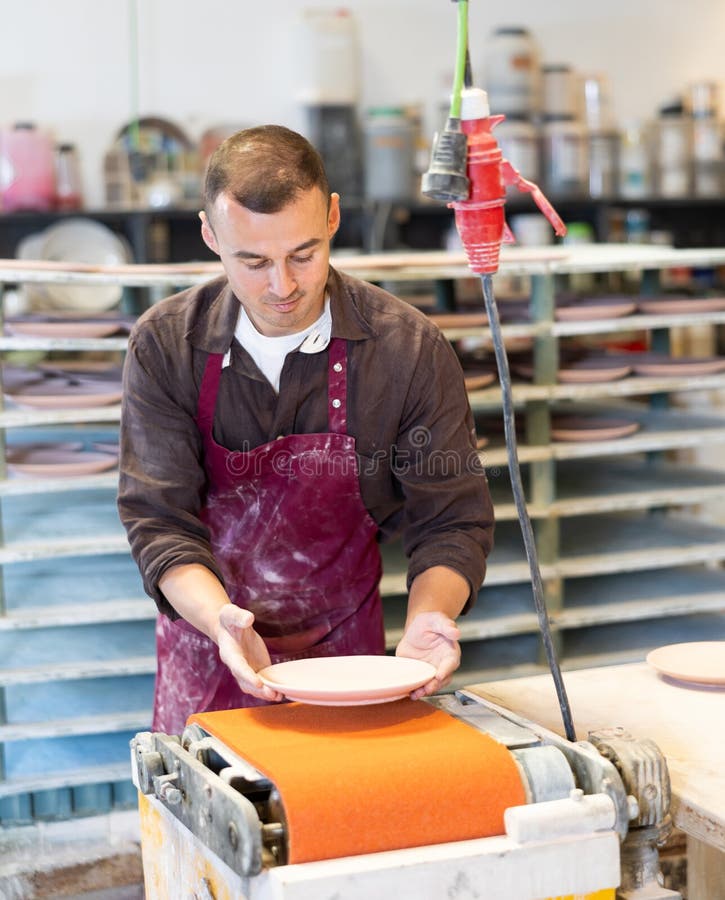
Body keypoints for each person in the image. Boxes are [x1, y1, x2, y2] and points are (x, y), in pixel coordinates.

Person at [118, 124, 494, 735]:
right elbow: (159, 521)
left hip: (349, 663)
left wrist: (431, 617)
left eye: (303, 253)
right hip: (210, 650)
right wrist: (221, 622)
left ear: (334, 217)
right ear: (210, 235)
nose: (282, 286)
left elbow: (451, 519)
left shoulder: (405, 348)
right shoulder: (167, 345)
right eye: (253, 260)